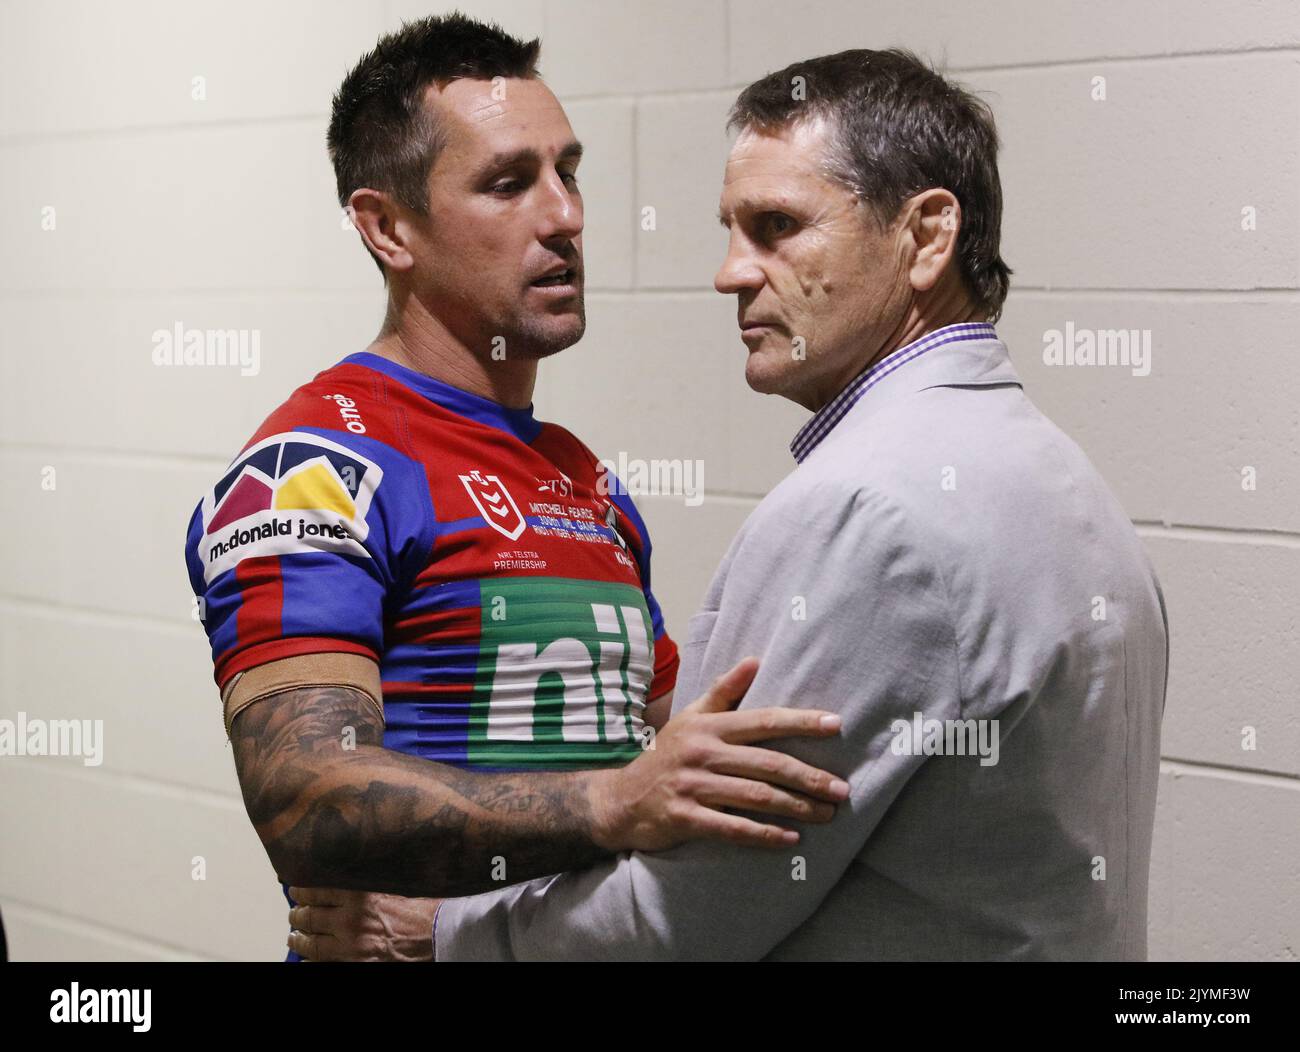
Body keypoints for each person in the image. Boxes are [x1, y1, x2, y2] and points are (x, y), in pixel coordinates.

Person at [304, 47, 1170, 961]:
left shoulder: (862, 510)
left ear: (925, 237)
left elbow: (690, 914)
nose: (730, 272)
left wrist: (439, 938)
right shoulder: (1071, 483)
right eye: (731, 229)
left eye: (776, 227)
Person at [183, 14, 850, 963]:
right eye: (508, 183)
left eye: (567, 171)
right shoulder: (319, 465)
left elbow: (664, 766)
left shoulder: (583, 480)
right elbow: (302, 791)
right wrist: (611, 803)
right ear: (386, 226)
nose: (565, 214)